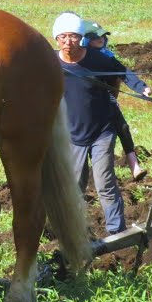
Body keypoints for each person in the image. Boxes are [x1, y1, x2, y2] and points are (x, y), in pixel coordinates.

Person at [55, 12, 140, 236]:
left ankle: (117, 231)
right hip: (73, 135)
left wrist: (142, 88)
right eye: (63, 37)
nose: (68, 42)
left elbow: (121, 70)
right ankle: (75, 232)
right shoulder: (50, 63)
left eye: (72, 36)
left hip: (102, 131)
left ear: (80, 37)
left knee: (105, 183)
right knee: (75, 187)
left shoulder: (96, 59)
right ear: (56, 39)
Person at [83, 20, 152, 181]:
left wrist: (141, 87)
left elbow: (123, 72)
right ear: (85, 40)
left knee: (123, 128)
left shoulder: (108, 57)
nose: (100, 39)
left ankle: (134, 166)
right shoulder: (80, 58)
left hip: (107, 101)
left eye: (102, 36)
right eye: (94, 37)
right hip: (85, 105)